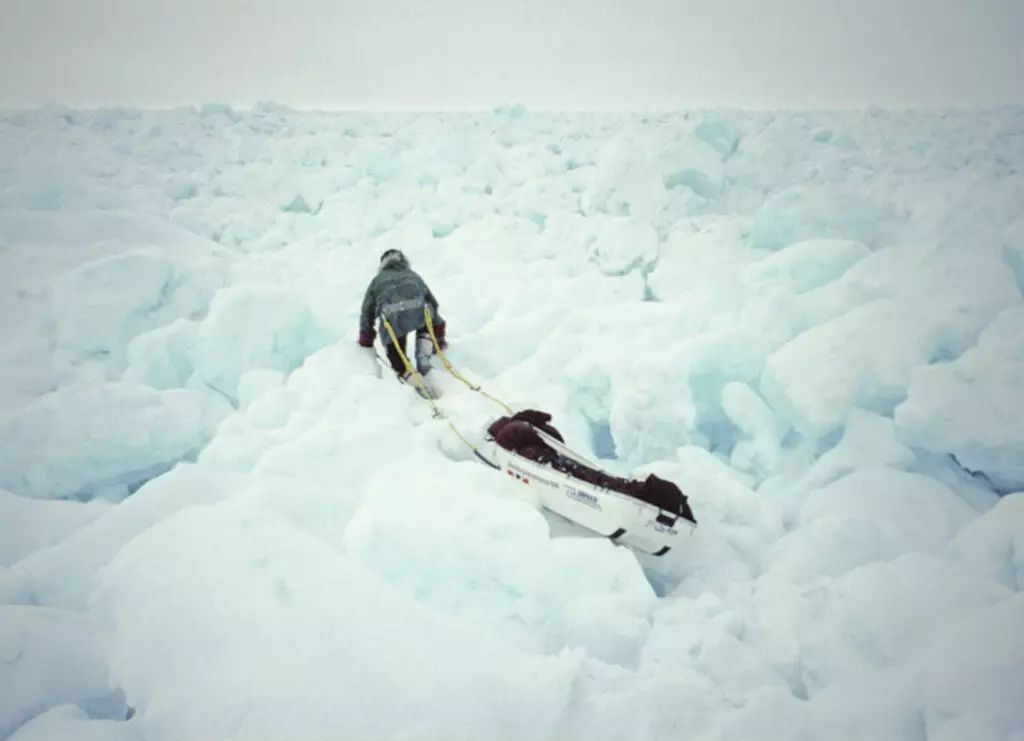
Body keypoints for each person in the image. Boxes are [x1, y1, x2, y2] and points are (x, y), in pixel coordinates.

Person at [358, 248, 448, 380]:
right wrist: (438, 340)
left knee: (397, 351)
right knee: (425, 320)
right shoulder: (413, 276)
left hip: (391, 317)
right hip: (419, 309)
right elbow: (433, 304)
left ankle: (408, 375)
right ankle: (424, 359)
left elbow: (367, 313)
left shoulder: (377, 281)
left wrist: (366, 339)